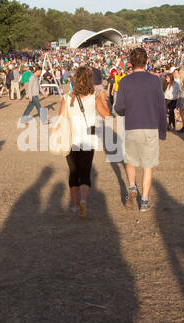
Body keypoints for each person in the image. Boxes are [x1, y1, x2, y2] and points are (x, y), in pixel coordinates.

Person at [112, 47, 166, 212]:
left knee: (130, 160)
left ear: (130, 63)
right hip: (150, 126)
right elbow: (161, 107)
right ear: (147, 61)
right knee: (148, 165)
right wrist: (162, 130)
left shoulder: (124, 81)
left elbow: (119, 108)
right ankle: (144, 200)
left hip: (132, 126)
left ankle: (132, 186)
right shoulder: (156, 81)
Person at [56, 66, 110, 218]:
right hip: (88, 140)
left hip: (70, 139)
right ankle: (83, 200)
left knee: (74, 172)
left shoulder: (67, 98)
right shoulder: (94, 97)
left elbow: (60, 118)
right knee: (85, 172)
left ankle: (74, 204)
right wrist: (104, 100)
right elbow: (107, 115)